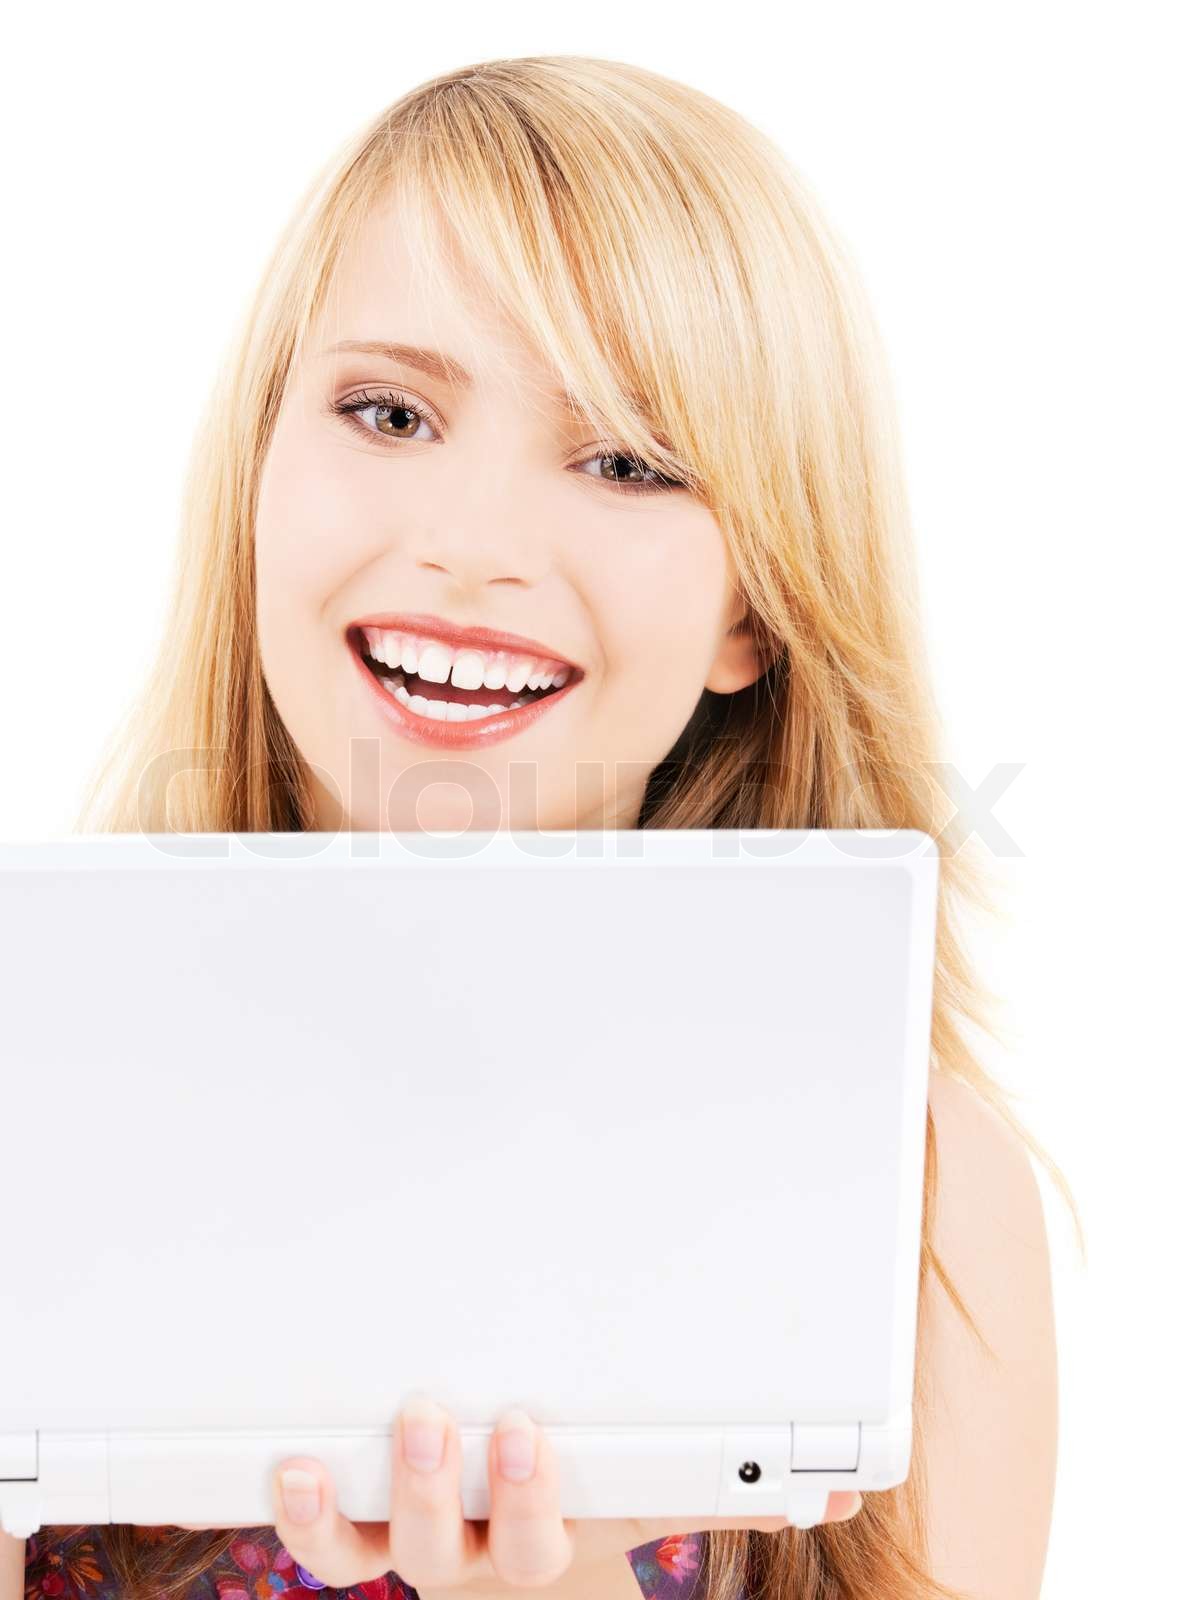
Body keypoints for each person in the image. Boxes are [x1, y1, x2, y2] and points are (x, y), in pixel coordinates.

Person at [9, 52, 1076, 1600]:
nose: (470, 546)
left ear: (756, 612)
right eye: (388, 411)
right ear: (257, 472)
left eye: (627, 459)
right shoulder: (30, 1075)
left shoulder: (918, 1210)